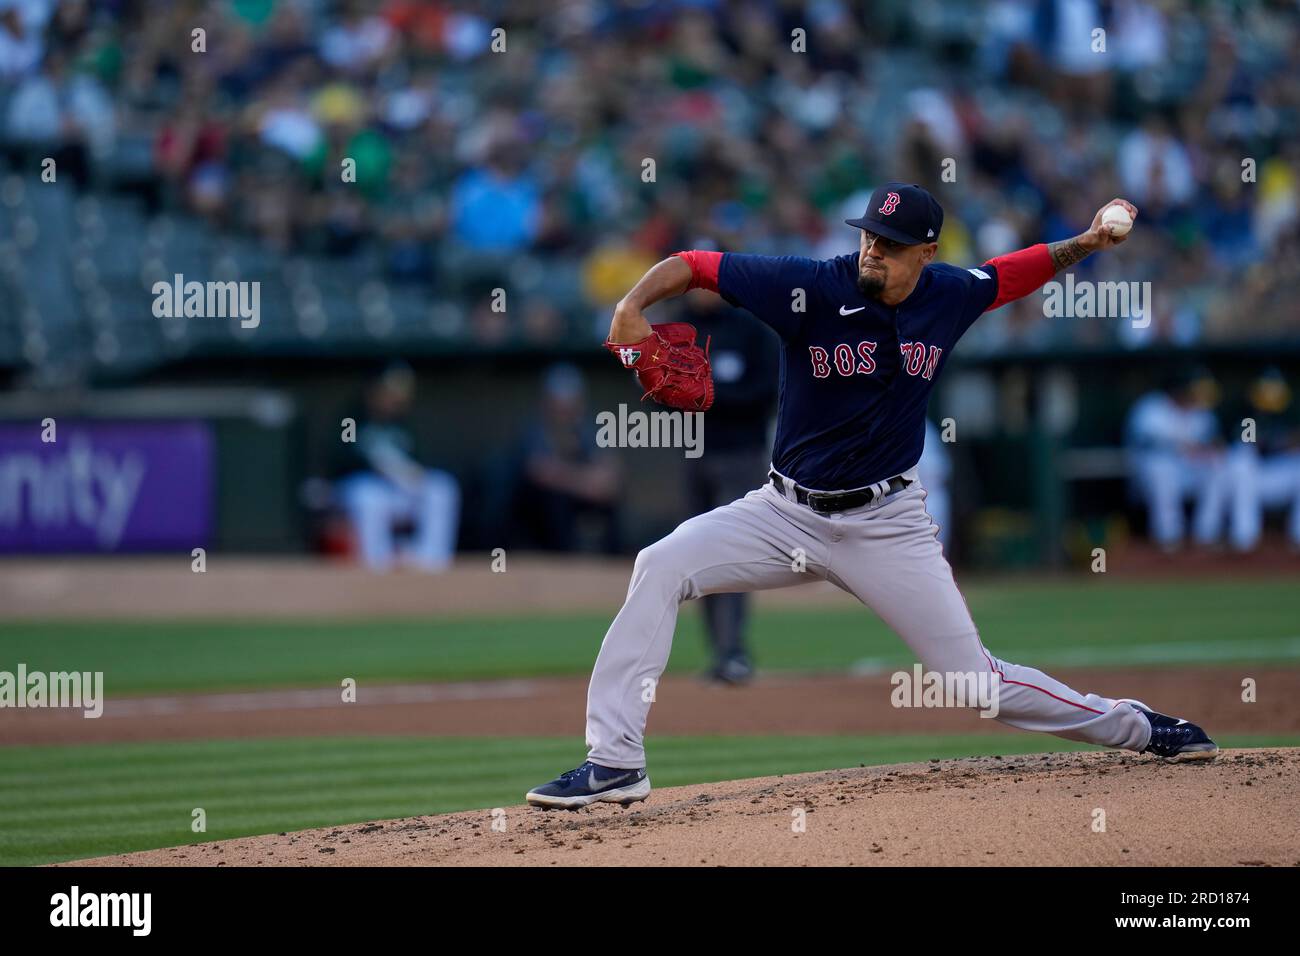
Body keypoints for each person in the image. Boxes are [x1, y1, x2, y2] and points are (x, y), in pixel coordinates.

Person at [525, 183, 1217, 810]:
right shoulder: (811, 288)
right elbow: (696, 264)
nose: (872, 251)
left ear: (926, 252)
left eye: (888, 244)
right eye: (866, 236)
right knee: (660, 563)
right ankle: (614, 762)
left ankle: (1137, 726)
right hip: (782, 513)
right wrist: (630, 304)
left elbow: (1014, 273)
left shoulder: (949, 293)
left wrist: (1089, 243)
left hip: (887, 525)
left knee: (974, 685)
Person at [679, 290, 780, 684]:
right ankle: (719, 652)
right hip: (693, 455)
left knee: (730, 553)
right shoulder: (679, 329)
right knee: (698, 555)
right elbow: (656, 392)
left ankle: (733, 650)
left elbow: (769, 391)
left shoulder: (750, 328)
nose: (701, 294)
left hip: (740, 456)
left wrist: (709, 395)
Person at [334, 362, 460, 572]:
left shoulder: (403, 424)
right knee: (370, 498)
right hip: (360, 488)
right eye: (389, 391)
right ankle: (376, 565)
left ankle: (430, 561)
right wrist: (378, 466)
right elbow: (340, 461)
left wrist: (406, 472)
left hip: (396, 489)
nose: (394, 399)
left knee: (441, 487)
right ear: (373, 391)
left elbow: (417, 461)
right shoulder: (352, 420)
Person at [511, 364, 621, 553]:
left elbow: (610, 481)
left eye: (570, 407)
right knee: (550, 499)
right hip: (539, 525)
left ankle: (607, 562)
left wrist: (567, 477)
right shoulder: (535, 433)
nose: (564, 415)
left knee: (608, 506)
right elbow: (540, 472)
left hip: (577, 510)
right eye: (558, 407)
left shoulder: (588, 430)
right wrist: (586, 481)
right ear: (546, 405)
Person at [1124, 368, 1231, 552]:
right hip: (1150, 474)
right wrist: (1180, 447)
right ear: (1179, 390)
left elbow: (1213, 443)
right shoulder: (1151, 408)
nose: (1197, 397)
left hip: (1188, 471)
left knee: (1218, 464)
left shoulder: (1203, 413)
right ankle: (1168, 537)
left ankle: (1206, 535)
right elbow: (1145, 445)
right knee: (1161, 467)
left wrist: (1208, 450)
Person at [1224, 369, 1300, 551]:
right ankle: (1244, 538)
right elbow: (1250, 445)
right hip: (1252, 476)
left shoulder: (1292, 414)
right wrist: (1278, 442)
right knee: (1241, 459)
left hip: (1280, 473)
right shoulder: (1249, 417)